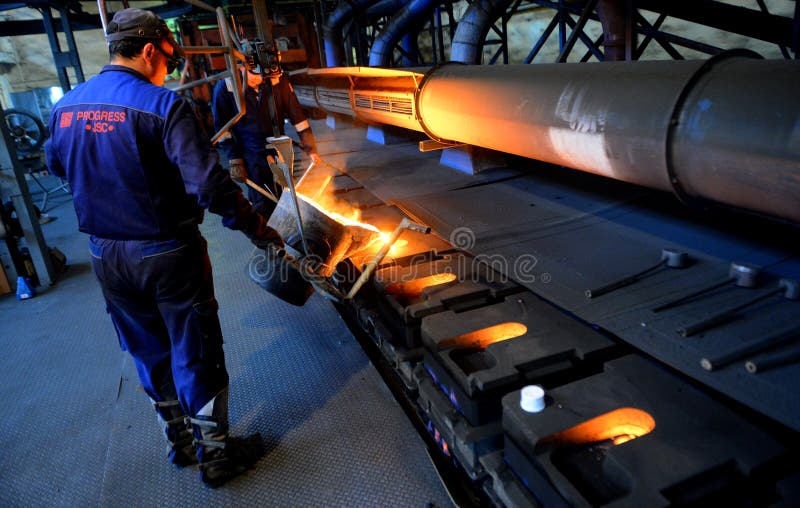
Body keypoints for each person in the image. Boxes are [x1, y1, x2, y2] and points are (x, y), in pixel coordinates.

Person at [44, 8, 283, 488]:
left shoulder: (65, 106)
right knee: (195, 348)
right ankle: (216, 457)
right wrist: (259, 228)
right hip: (166, 251)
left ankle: (180, 444)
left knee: (146, 349)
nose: (170, 71)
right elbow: (209, 186)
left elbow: (58, 167)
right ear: (150, 49)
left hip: (105, 255)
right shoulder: (163, 106)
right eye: (169, 60)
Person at [211, 45, 320, 218]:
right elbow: (223, 129)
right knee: (262, 201)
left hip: (279, 150)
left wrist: (310, 147)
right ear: (242, 67)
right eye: (257, 75)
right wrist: (235, 159)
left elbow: (297, 116)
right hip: (251, 155)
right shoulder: (226, 88)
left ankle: (289, 233)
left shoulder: (277, 80)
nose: (262, 79)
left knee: (286, 197)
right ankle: (271, 236)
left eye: (265, 75)